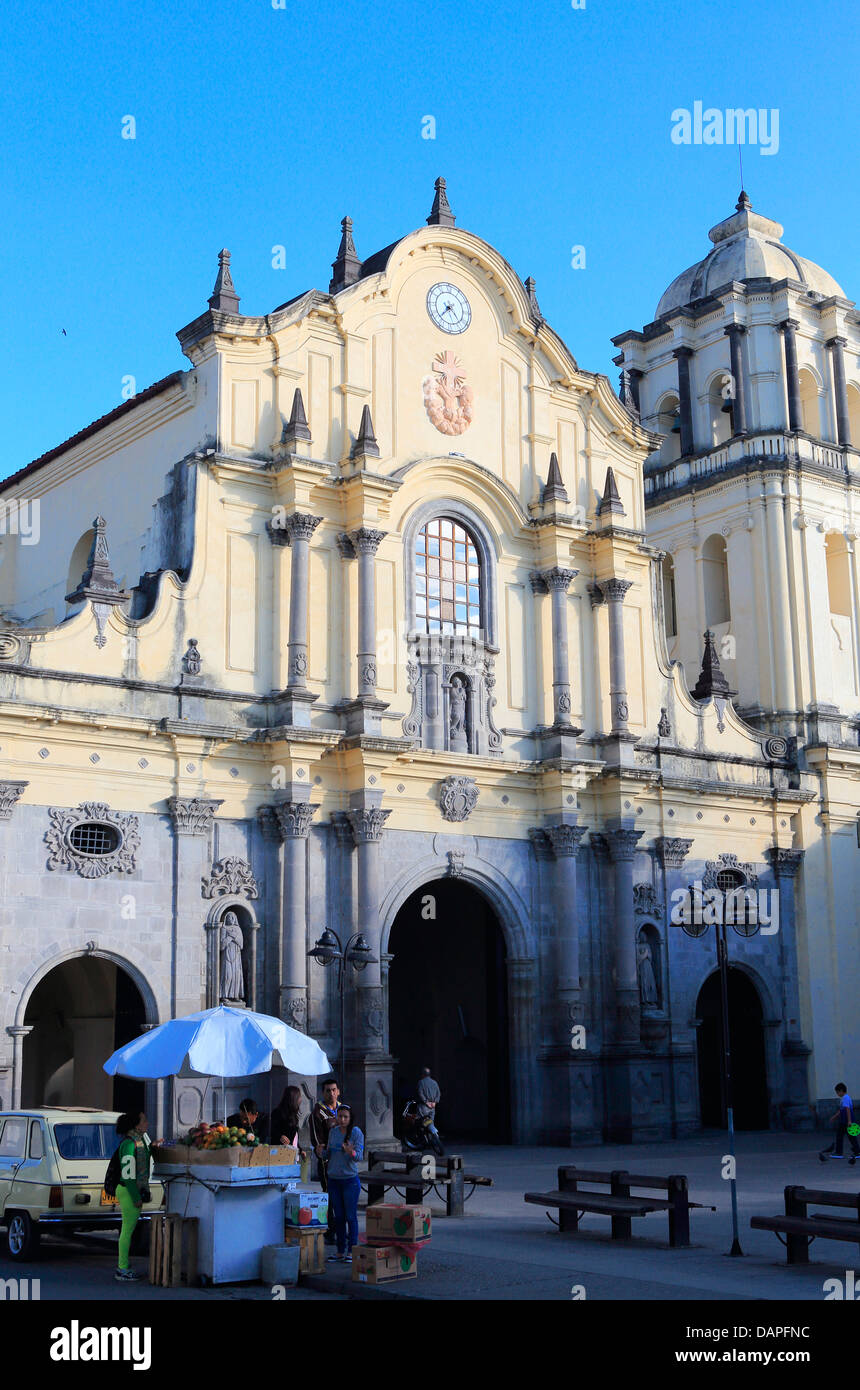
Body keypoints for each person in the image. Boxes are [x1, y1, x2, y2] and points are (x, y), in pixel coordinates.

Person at [316, 1103, 364, 1263]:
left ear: (350, 1119)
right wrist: (320, 1152)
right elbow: (327, 1154)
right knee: (339, 1217)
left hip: (350, 1179)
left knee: (351, 1216)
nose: (342, 1119)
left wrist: (352, 1151)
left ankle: (352, 1250)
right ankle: (339, 1251)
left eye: (345, 1117)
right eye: (340, 1116)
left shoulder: (356, 1133)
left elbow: (359, 1157)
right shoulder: (333, 1132)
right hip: (334, 1179)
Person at [114, 1110, 153, 1282]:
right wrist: (136, 1196)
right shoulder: (130, 1144)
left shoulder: (139, 1142)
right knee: (127, 1231)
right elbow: (128, 1174)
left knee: (127, 1229)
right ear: (136, 1125)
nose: (147, 1123)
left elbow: (145, 1156)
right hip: (129, 1191)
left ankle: (123, 1266)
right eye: (144, 1120)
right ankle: (122, 1268)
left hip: (131, 1190)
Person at [309, 1077, 343, 1245]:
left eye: (334, 1090)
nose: (331, 1093)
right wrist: (323, 1152)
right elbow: (317, 1141)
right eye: (328, 1090)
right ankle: (330, 1229)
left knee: (342, 1194)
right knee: (330, 1193)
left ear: (338, 1091)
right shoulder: (318, 1112)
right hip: (327, 1161)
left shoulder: (343, 1110)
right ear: (323, 1093)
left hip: (343, 1160)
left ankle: (341, 1228)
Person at [820, 1082, 860, 1164]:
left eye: (838, 1092)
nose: (837, 1094)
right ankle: (857, 1152)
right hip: (846, 1120)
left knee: (840, 1136)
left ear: (841, 1091)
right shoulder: (846, 1098)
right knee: (851, 1137)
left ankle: (839, 1152)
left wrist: (849, 1121)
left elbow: (847, 1109)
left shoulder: (845, 1098)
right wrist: (834, 1117)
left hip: (845, 1121)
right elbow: (841, 1110)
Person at [270, 1085, 307, 1158]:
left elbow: (294, 1136)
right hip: (280, 1152)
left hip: (291, 1152)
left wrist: (300, 1150)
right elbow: (273, 1130)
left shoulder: (294, 1114)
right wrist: (280, 1136)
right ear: (293, 1098)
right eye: (299, 1096)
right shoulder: (277, 1112)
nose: (300, 1099)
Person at [417, 1067, 441, 1136]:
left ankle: (427, 1137)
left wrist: (426, 1102)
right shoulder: (434, 1082)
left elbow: (420, 1093)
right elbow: (438, 1093)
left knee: (423, 1122)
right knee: (430, 1122)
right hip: (433, 1107)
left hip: (424, 1106)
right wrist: (435, 1102)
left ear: (423, 1074)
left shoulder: (421, 1082)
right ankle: (432, 1138)